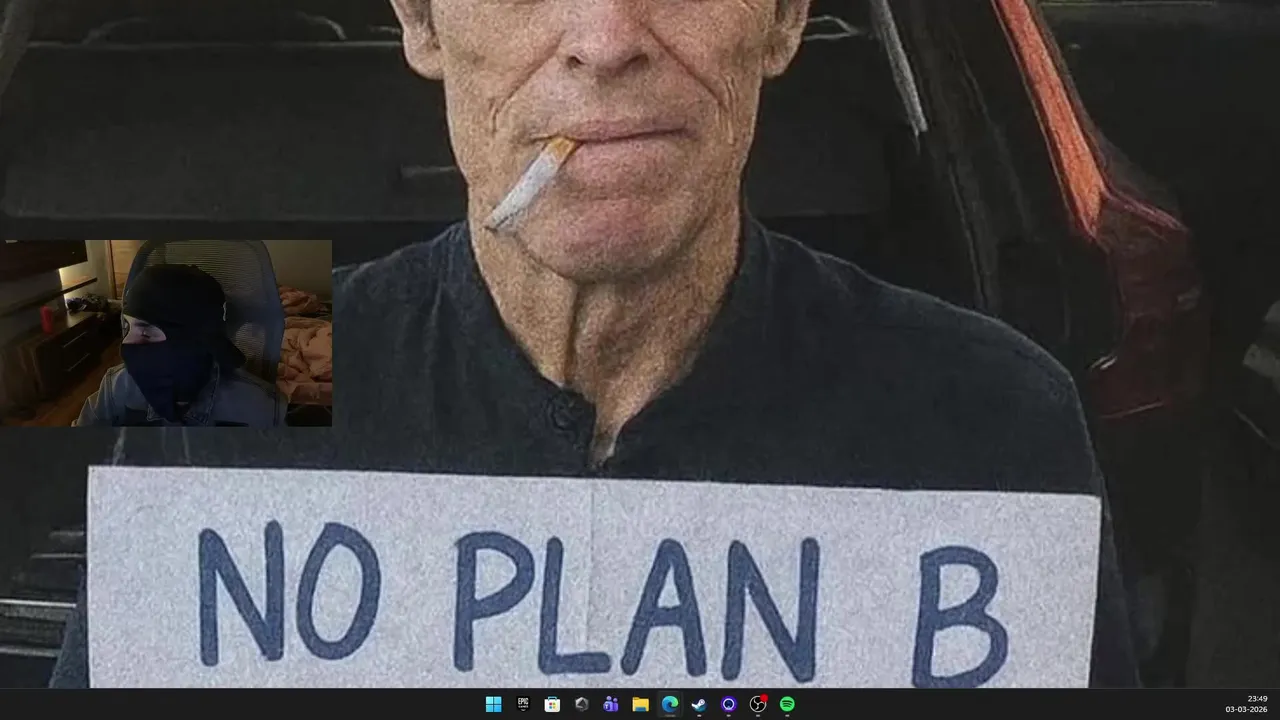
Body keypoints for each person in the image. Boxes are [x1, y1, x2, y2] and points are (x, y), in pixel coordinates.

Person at [50, 0, 1137, 686]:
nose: (607, 37)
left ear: (783, 19)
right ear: (421, 22)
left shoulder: (986, 417)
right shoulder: (232, 386)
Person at [73, 263, 284, 428]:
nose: (126, 347)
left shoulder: (261, 409)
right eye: (128, 328)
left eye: (146, 332)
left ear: (192, 340)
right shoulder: (117, 388)